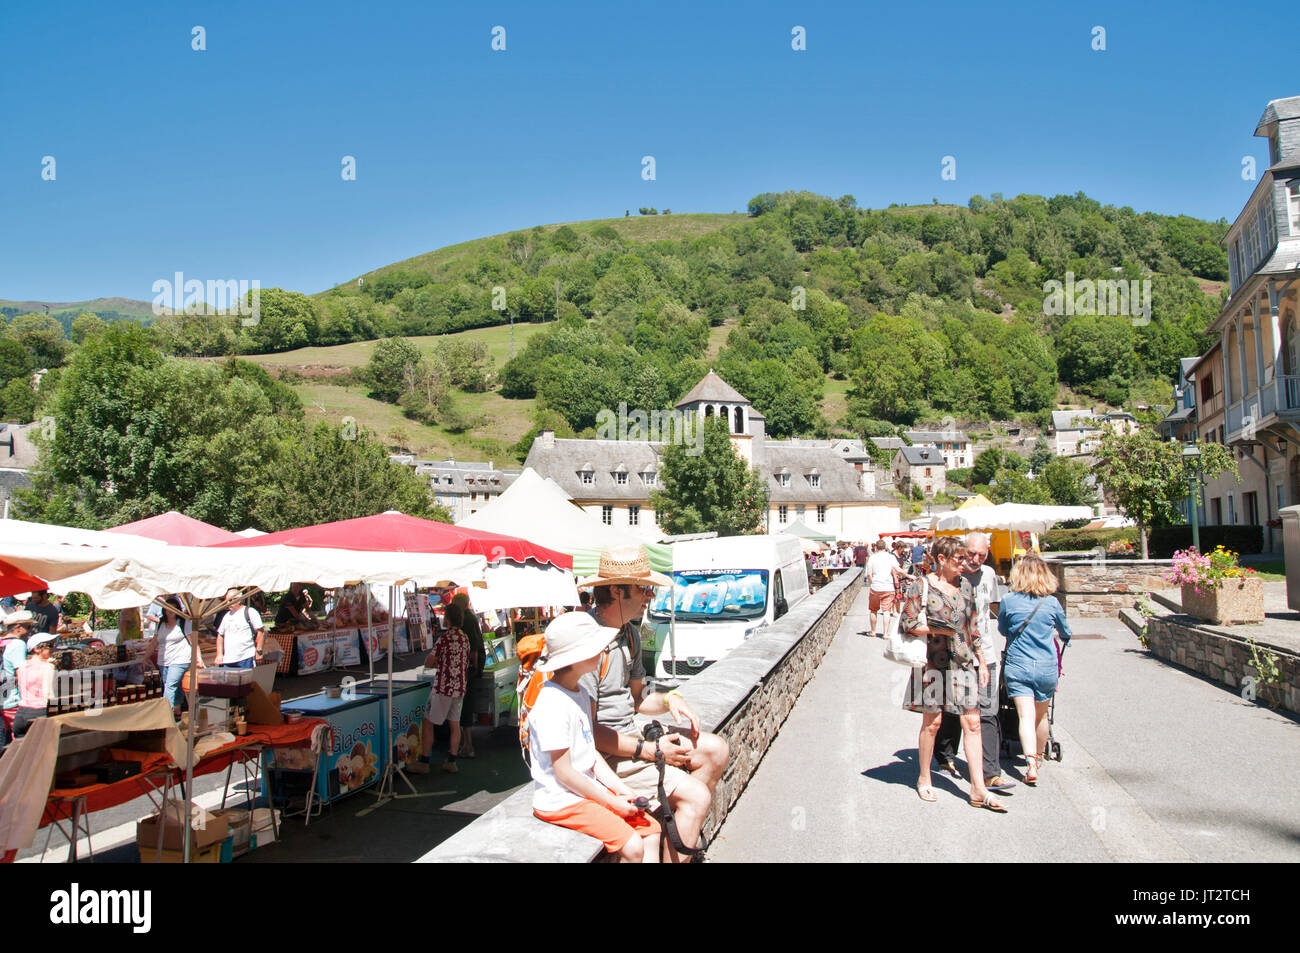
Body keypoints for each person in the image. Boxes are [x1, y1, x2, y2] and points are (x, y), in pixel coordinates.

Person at [579, 545, 729, 862]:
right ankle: (678, 829)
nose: (650, 596)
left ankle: (670, 836)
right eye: (643, 588)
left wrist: (671, 698)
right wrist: (652, 750)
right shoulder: (588, 646)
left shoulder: (629, 635)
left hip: (628, 736)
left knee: (716, 750)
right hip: (607, 754)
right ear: (618, 591)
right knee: (697, 796)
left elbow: (638, 699)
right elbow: (586, 734)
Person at [527, 611, 661, 862]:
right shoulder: (553, 702)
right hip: (561, 801)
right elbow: (564, 772)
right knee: (633, 845)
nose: (602, 652)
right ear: (577, 657)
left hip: (579, 793)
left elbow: (590, 753)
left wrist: (621, 790)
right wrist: (612, 801)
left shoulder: (576, 692)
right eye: (596, 647)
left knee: (650, 830)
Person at [899, 536, 1006, 812]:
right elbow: (908, 624)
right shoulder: (920, 586)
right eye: (959, 559)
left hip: (963, 662)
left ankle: (978, 788)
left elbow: (973, 627)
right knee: (932, 724)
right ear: (942, 559)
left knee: (972, 723)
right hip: (933, 664)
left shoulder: (966, 586)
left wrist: (982, 661)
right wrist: (940, 630)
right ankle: (924, 777)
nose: (965, 563)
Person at [933, 533, 1016, 793]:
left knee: (988, 712)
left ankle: (991, 773)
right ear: (961, 551)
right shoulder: (950, 575)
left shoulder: (989, 575)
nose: (976, 560)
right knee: (953, 710)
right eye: (971, 554)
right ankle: (945, 755)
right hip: (955, 655)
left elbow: (989, 608)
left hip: (985, 654)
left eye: (982, 555)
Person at [998, 553, 1072, 785]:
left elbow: (1002, 629)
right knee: (1041, 716)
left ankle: (1029, 762)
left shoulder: (1009, 600)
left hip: (1018, 664)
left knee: (1025, 715)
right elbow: (1066, 632)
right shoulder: (1051, 603)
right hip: (1046, 667)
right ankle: (1038, 756)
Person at [410, 602, 471, 774]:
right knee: (454, 724)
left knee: (428, 722)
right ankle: (451, 760)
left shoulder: (444, 638)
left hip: (443, 688)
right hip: (460, 687)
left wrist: (438, 662)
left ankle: (424, 761)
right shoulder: (465, 638)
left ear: (448, 618)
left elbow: (428, 662)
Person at [150, 597, 201, 711]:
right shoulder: (160, 624)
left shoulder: (183, 622)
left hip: (180, 659)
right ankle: (177, 708)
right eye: (168, 608)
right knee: (173, 685)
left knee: (170, 685)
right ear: (164, 610)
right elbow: (154, 642)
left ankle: (165, 711)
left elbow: (193, 641)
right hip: (164, 660)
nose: (171, 611)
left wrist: (198, 657)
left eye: (174, 608)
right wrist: (145, 657)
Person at [451, 592, 485, 758]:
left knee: (464, 705)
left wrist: (474, 667)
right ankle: (465, 743)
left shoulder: (468, 620)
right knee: (462, 705)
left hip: (466, 669)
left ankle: (467, 744)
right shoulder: (469, 618)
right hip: (467, 668)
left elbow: (473, 648)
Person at [12, 632, 57, 738]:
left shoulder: (23, 665)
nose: (53, 648)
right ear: (37, 649)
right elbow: (49, 694)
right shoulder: (47, 667)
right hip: (39, 712)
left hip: (21, 713)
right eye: (49, 645)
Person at [1, 610, 33, 748]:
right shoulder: (18, 645)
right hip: (13, 700)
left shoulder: (2, 642)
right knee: (22, 742)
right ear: (18, 627)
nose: (30, 631)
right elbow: (22, 674)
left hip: (2, 700)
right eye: (28, 627)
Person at [216, 589, 265, 669]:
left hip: (245, 657)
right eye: (227, 600)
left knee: (246, 680)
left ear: (239, 600)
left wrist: (259, 651)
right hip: (228, 659)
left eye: (230, 600)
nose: (228, 603)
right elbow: (220, 635)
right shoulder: (226, 616)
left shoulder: (250, 612)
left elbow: (261, 632)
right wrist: (219, 654)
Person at [866, 540, 903, 636]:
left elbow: (869, 574)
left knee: (873, 610)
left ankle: (873, 631)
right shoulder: (891, 557)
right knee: (886, 611)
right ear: (885, 547)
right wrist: (909, 575)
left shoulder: (872, 558)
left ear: (876, 548)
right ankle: (885, 633)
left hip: (876, 587)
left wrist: (871, 582)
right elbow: (898, 569)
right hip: (888, 587)